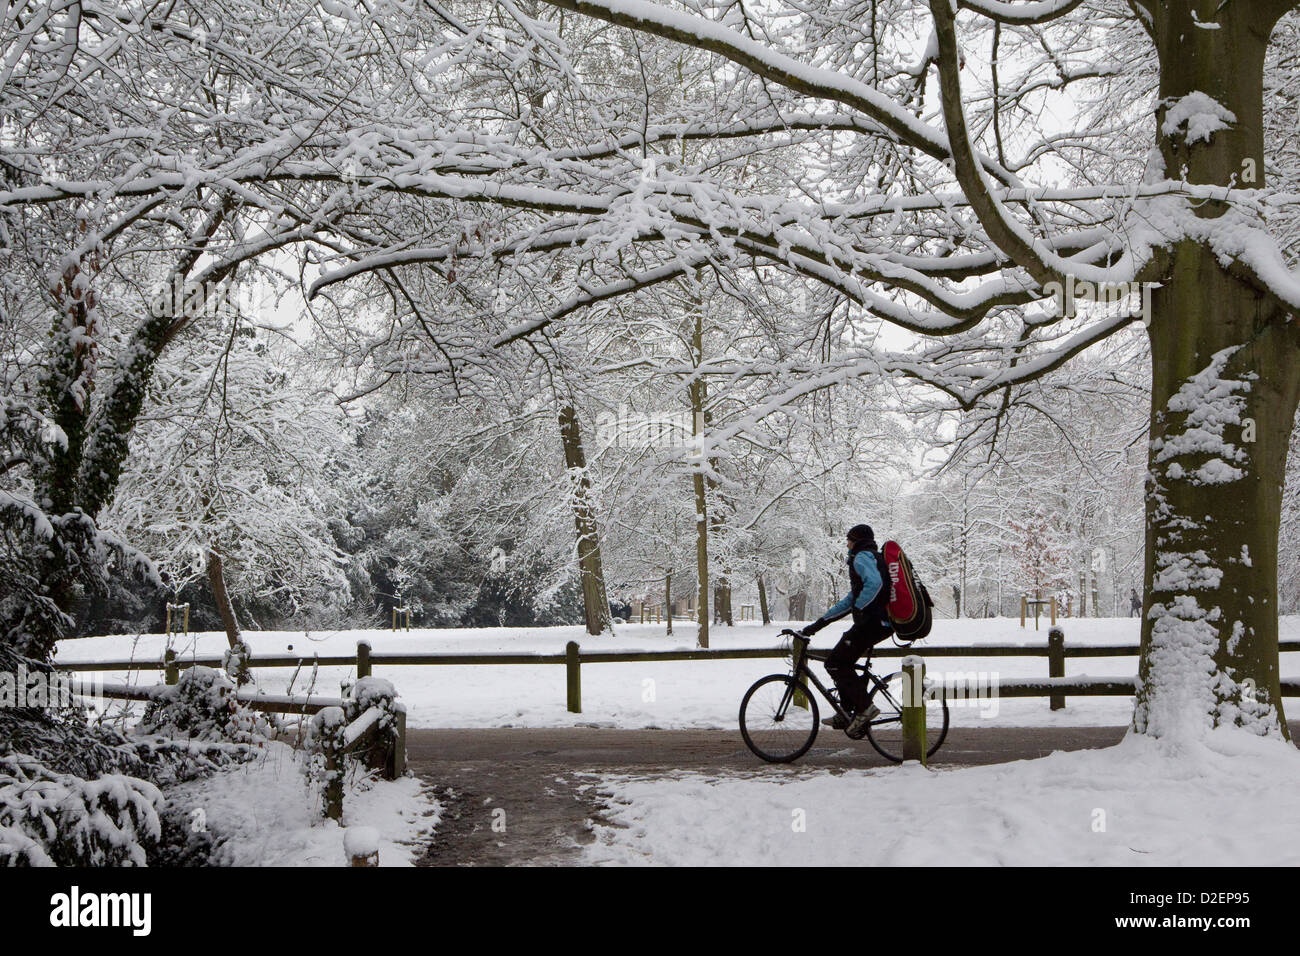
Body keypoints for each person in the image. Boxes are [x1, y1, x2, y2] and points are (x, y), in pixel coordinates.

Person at [799, 524, 893, 737]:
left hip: (874, 622)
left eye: (849, 539)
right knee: (843, 659)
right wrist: (820, 623)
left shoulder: (861, 557)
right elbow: (851, 599)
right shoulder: (870, 557)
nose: (847, 543)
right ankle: (848, 712)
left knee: (834, 663)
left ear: (857, 540)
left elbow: (874, 585)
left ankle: (864, 708)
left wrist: (860, 608)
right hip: (877, 623)